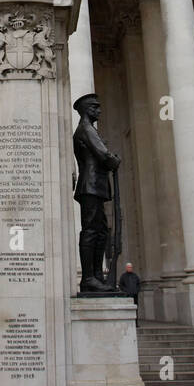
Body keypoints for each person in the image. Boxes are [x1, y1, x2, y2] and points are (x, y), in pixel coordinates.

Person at [73, 93, 119, 293]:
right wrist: (113, 160)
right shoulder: (86, 129)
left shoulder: (90, 129)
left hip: (96, 186)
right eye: (95, 107)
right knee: (92, 230)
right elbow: (103, 154)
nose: (99, 111)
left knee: (100, 230)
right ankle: (89, 278)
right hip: (90, 185)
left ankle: (97, 276)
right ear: (86, 109)